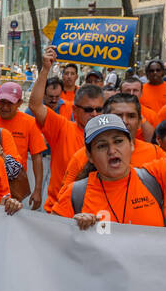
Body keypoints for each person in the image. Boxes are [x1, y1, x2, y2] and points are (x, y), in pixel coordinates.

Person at [55, 97, 166, 229]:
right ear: (90, 156)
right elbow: (49, 241)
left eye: (118, 141)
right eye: (101, 146)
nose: (112, 150)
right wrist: (74, 228)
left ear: (131, 145)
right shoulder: (75, 194)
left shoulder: (155, 176)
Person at [30, 48, 108, 210]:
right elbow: (35, 105)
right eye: (88, 110)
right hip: (59, 210)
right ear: (74, 110)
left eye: (98, 109)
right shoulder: (62, 128)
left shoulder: (111, 137)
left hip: (96, 210)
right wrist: (45, 69)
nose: (94, 114)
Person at [0, 82, 47, 209]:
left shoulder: (29, 122)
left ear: (19, 103)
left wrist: (37, 190)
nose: (5, 107)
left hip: (14, 185)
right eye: (2, 102)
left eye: (10, 103)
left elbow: (36, 156)